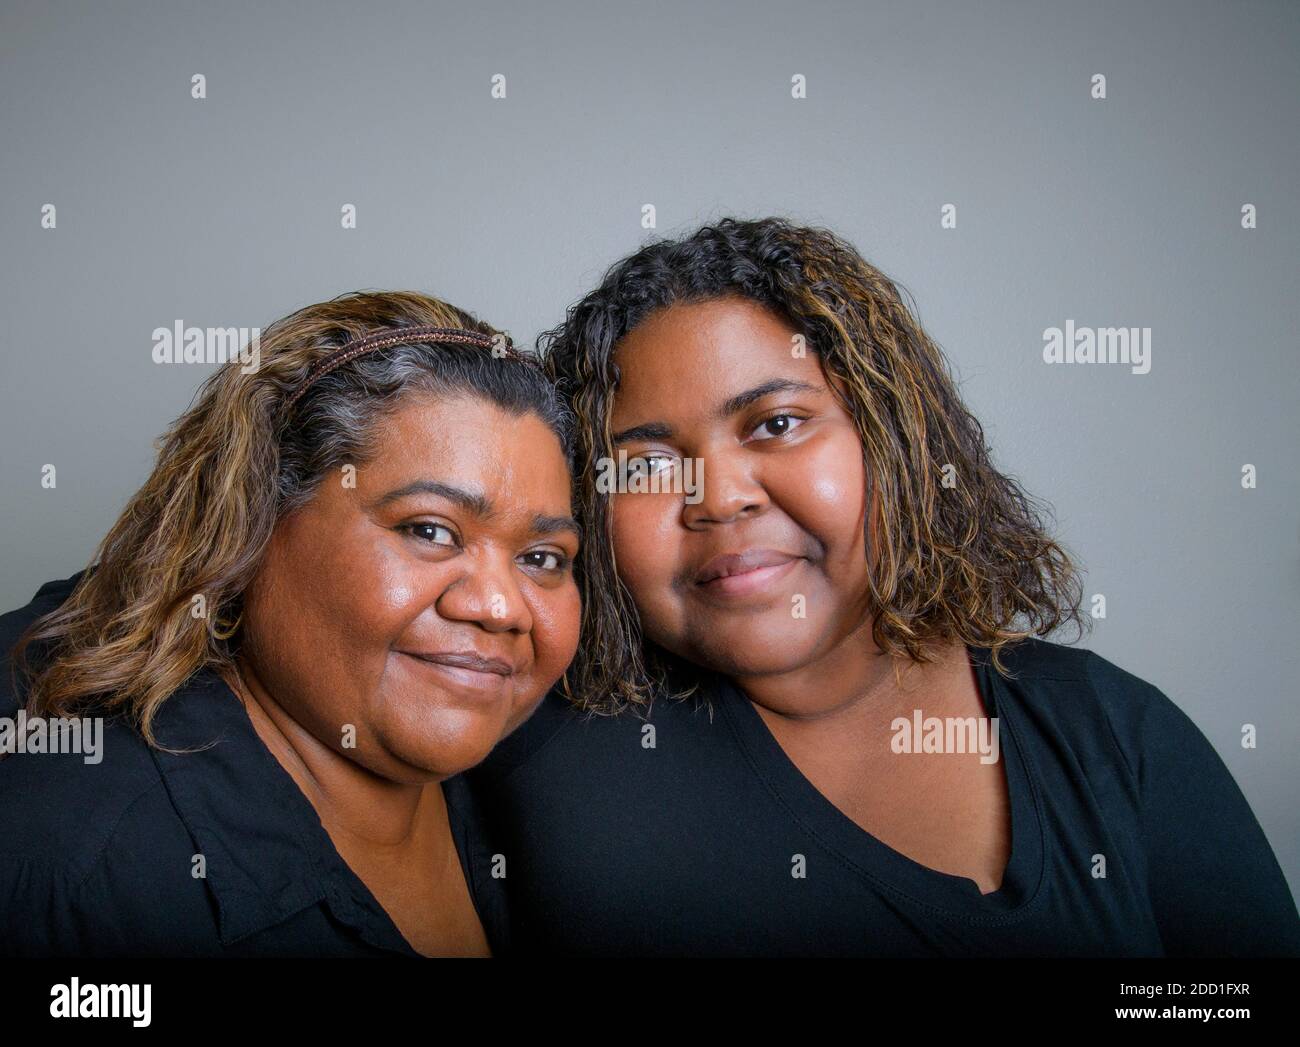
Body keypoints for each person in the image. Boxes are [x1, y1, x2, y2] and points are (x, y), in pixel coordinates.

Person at [467, 216, 1300, 957]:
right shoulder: (521, 741)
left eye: (777, 424)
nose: (719, 497)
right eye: (647, 464)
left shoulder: (1113, 736)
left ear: (893, 441)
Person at [0, 290, 581, 957]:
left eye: (542, 557)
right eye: (429, 530)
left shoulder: (533, 797)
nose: (502, 607)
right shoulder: (80, 871)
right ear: (251, 530)